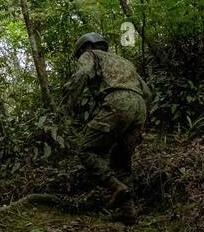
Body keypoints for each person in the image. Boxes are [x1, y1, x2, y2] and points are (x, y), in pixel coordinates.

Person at [64, 32, 151, 219]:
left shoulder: (90, 55)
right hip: (140, 106)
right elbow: (147, 92)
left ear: (85, 48)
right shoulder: (124, 62)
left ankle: (116, 187)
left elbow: (82, 74)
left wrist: (68, 104)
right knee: (121, 160)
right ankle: (128, 211)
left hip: (117, 101)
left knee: (87, 151)